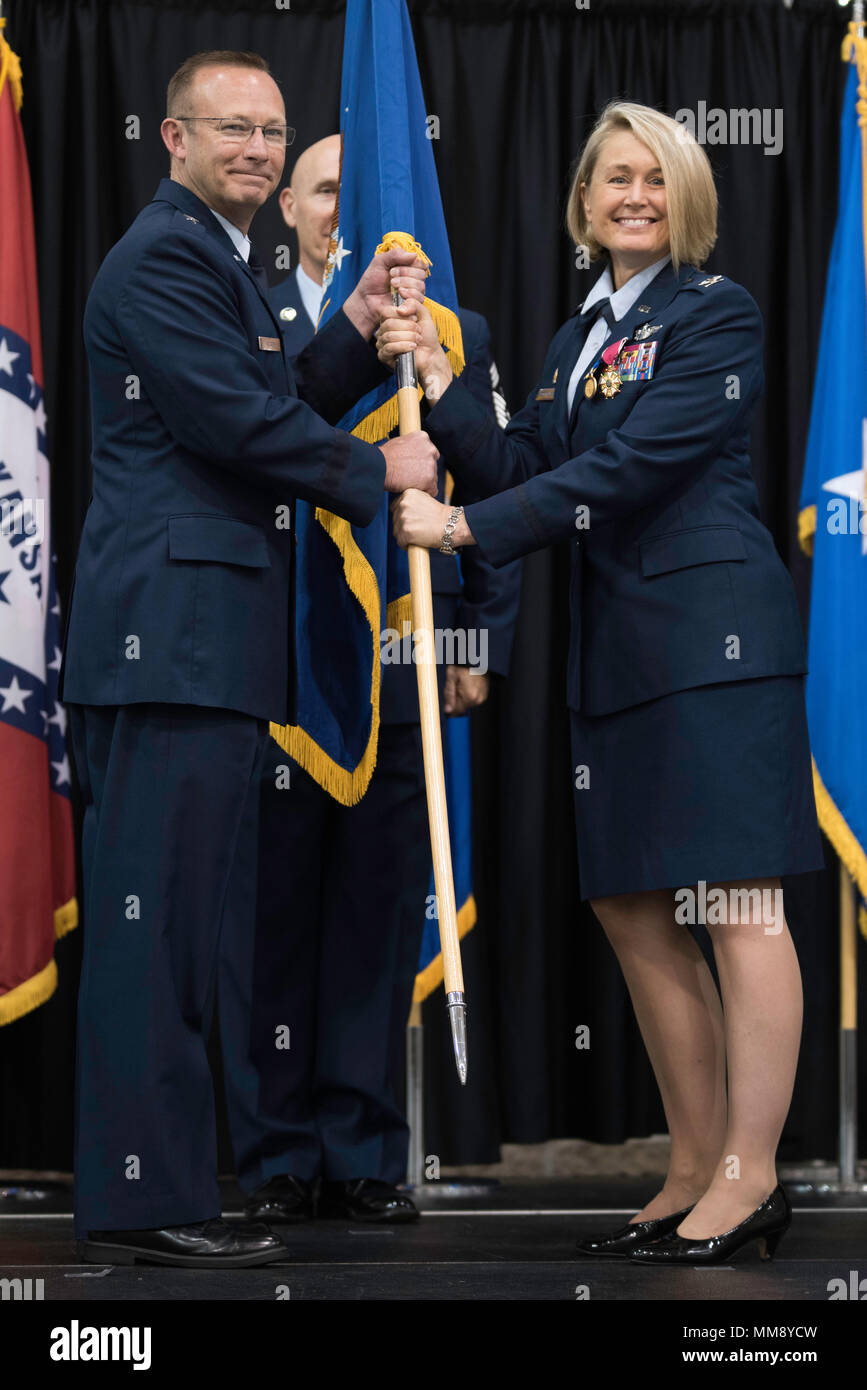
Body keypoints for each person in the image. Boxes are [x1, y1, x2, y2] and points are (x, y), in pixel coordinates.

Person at [378, 100, 824, 1266]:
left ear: (689, 200)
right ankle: (690, 1160)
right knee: (633, 906)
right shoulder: (580, 338)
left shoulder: (714, 314)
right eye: (613, 179)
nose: (633, 195)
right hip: (615, 652)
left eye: (656, 178)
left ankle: (752, 1169)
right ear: (581, 205)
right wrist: (444, 378)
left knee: (735, 903)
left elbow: (625, 471)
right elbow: (537, 463)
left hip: (712, 645)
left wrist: (466, 528)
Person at [58, 49, 438, 1269]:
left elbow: (273, 388)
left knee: (179, 929)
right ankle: (141, 1197)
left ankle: (159, 1187)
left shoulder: (227, 262)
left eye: (271, 132)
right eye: (230, 130)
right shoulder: (166, 255)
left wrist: (362, 330)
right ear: (171, 140)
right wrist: (377, 469)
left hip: (203, 647)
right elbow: (233, 421)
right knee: (152, 933)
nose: (257, 149)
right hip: (169, 641)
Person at [217, 134, 521, 1224]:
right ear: (291, 204)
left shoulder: (455, 335)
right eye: (329, 189)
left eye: (364, 191)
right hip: (281, 661)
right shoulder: (244, 309)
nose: (346, 208)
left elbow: (492, 485)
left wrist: (478, 636)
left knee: (375, 920)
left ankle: (361, 1154)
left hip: (402, 657)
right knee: (274, 919)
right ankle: (276, 1159)